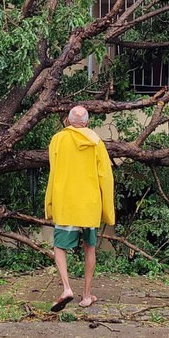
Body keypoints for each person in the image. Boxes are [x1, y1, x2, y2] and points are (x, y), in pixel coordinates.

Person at [44, 105, 115, 312]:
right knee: (89, 248)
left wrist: (49, 203)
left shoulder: (58, 140)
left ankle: (67, 288)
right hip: (89, 205)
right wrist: (107, 209)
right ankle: (86, 295)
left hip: (66, 203)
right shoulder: (95, 141)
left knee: (59, 247)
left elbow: (54, 171)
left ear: (68, 121)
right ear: (87, 122)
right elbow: (105, 176)